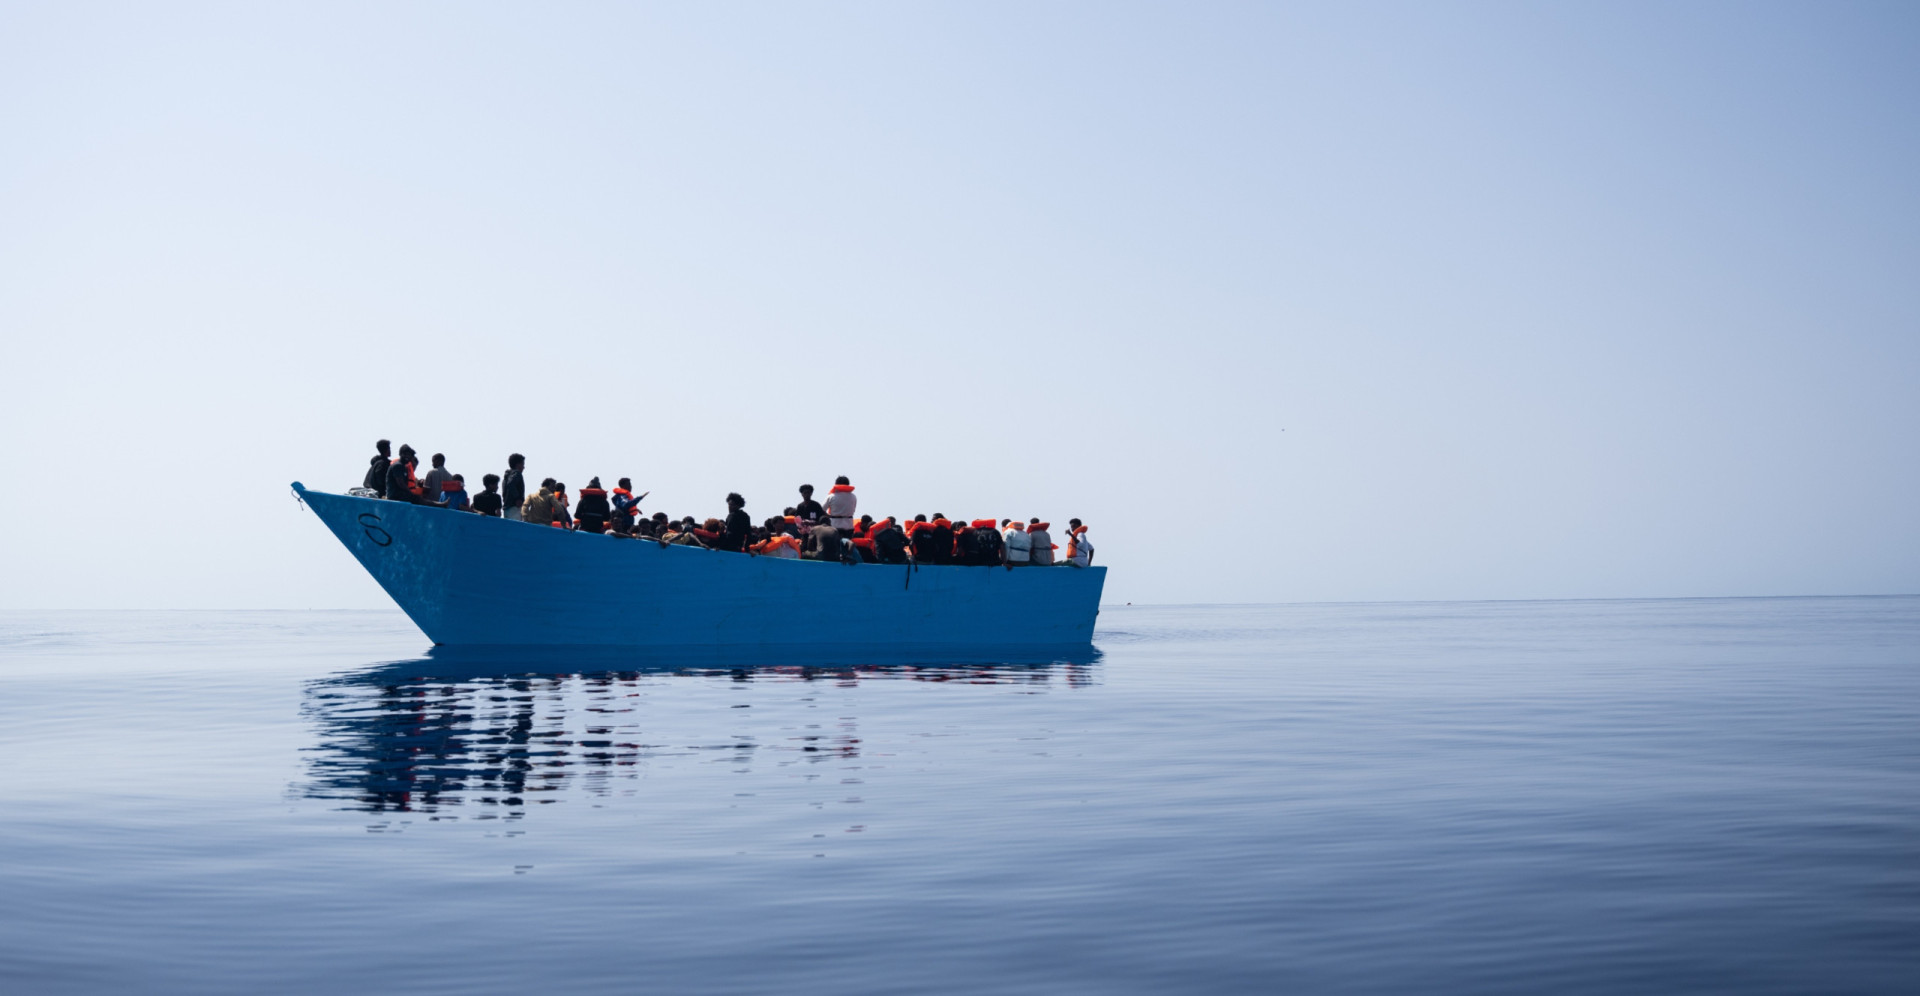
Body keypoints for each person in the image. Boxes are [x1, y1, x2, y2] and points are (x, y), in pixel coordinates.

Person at [502, 454, 526, 521]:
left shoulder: (506, 477)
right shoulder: (517, 473)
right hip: (514, 507)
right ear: (518, 464)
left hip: (507, 508)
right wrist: (517, 498)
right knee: (517, 526)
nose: (523, 467)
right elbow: (511, 484)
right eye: (522, 464)